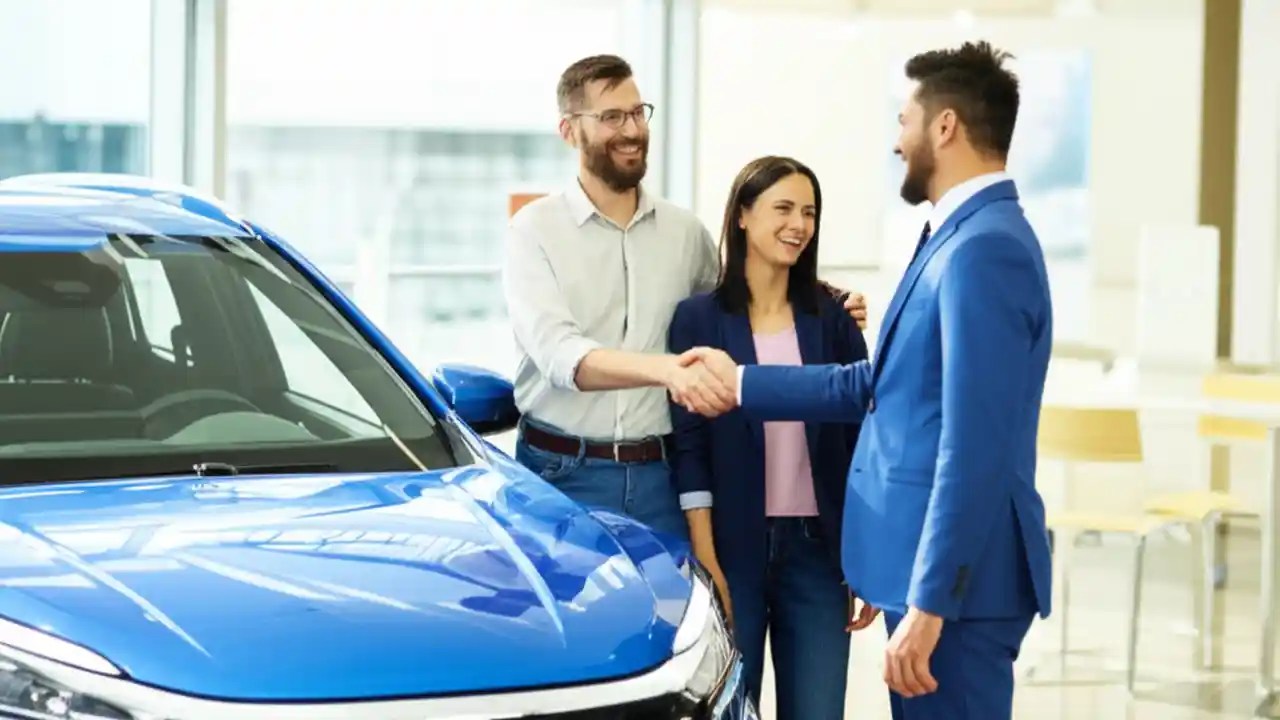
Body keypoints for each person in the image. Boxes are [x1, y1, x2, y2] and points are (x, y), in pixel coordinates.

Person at [682, 41, 1054, 720]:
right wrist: (741, 383)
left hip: (956, 592)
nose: (896, 141)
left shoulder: (984, 248)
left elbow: (973, 447)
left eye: (904, 120)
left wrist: (932, 601)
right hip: (929, 580)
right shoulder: (958, 237)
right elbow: (875, 385)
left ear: (945, 126)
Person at [501, 54, 867, 541]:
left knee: (679, 594)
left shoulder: (684, 233)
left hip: (661, 476)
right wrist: (667, 370)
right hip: (560, 473)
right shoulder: (534, 231)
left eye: (638, 113)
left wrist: (830, 300)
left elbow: (741, 302)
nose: (632, 130)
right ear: (569, 130)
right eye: (612, 117)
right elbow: (560, 355)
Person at [666, 155, 878, 719]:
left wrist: (867, 556)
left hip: (817, 553)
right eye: (783, 208)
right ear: (742, 215)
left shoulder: (833, 319)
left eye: (809, 212)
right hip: (734, 548)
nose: (798, 224)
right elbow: (690, 447)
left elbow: (863, 442)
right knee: (733, 708)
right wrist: (706, 556)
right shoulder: (697, 320)